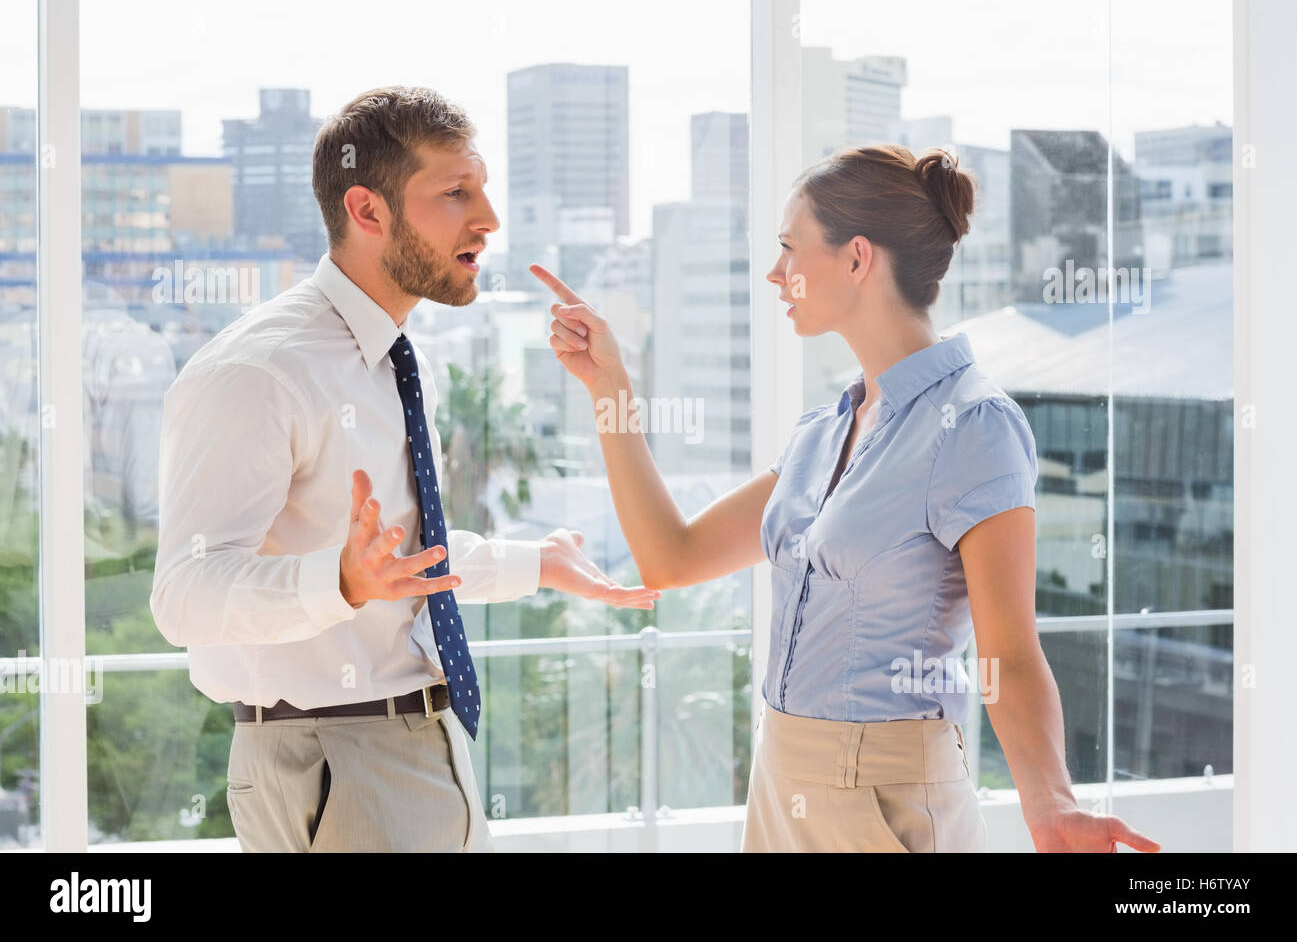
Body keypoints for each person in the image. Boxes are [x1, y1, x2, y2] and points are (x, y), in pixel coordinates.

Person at [531, 143, 1161, 853]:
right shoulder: (821, 434)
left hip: (887, 798)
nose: (776, 273)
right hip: (779, 782)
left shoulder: (975, 424)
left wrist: (1051, 806)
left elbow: (1009, 654)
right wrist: (609, 387)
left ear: (858, 258)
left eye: (789, 249)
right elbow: (670, 559)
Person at [149, 86, 659, 853]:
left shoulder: (383, 356)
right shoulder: (259, 372)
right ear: (368, 210)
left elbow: (395, 562)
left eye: (481, 189)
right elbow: (182, 597)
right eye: (456, 193)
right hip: (337, 760)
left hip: (418, 743)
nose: (487, 220)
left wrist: (539, 563)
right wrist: (342, 582)